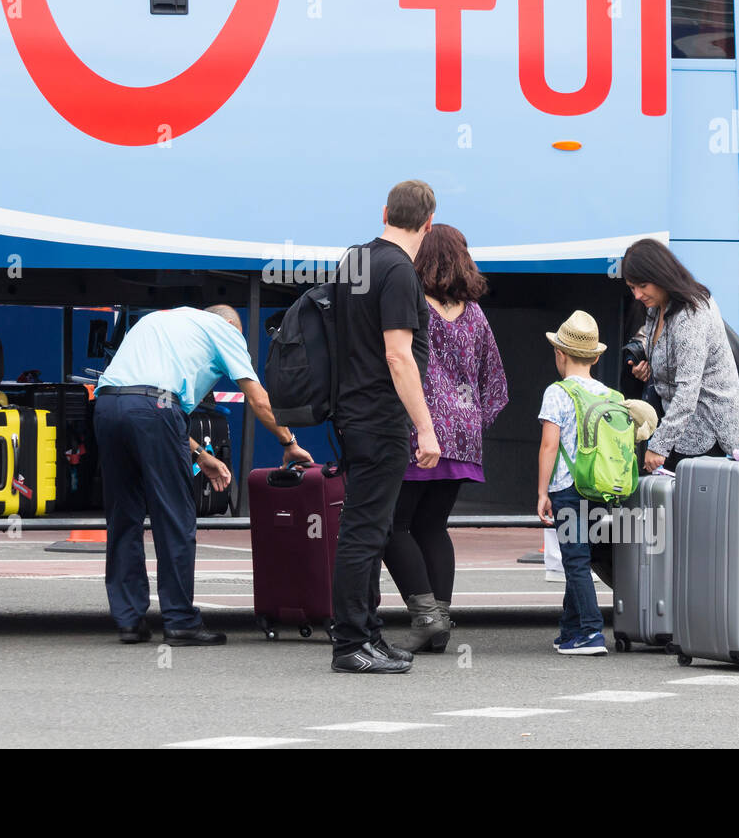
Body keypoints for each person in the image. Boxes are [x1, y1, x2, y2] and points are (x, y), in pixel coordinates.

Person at [94, 305, 312, 646]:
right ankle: (180, 622)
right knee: (175, 517)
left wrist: (200, 455)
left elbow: (147, 398)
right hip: (156, 408)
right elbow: (259, 401)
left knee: (123, 517)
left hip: (107, 405)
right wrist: (290, 442)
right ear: (230, 324)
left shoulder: (157, 320)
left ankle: (129, 621)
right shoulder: (224, 329)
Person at [329, 180, 441, 674]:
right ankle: (351, 643)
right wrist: (426, 428)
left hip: (352, 411)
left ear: (384, 212)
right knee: (363, 532)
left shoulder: (354, 260)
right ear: (429, 223)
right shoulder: (398, 270)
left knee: (367, 530)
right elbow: (398, 355)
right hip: (379, 417)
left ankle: (368, 635)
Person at [382, 223, 508, 652]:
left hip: (420, 433)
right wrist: (472, 422)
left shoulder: (412, 306)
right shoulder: (475, 314)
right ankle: (441, 621)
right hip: (464, 439)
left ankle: (427, 618)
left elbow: (398, 363)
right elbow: (497, 384)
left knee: (391, 526)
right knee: (433, 526)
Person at [622, 238, 739, 471]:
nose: (637, 295)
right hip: (681, 431)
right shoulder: (656, 308)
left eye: (642, 286)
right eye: (632, 288)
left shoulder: (691, 315)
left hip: (709, 433)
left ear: (660, 275)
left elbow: (687, 392)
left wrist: (659, 446)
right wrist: (649, 369)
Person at [535, 311, 614, 656]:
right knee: (579, 558)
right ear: (596, 357)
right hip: (600, 490)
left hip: (567, 490)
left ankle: (591, 632)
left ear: (559, 353)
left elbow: (549, 445)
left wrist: (542, 492)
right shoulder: (609, 394)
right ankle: (569, 630)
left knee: (575, 560)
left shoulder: (557, 393)